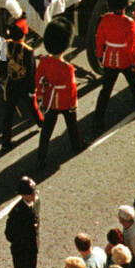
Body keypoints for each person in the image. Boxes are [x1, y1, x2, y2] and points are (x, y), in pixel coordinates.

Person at [92, 0, 135, 133]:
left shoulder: (104, 19)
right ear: (125, 2)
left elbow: (100, 39)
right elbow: (132, 45)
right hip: (125, 59)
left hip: (110, 58)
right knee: (134, 84)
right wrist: (134, 62)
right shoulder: (129, 22)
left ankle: (98, 118)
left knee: (106, 90)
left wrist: (100, 55)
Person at [36, 19, 82, 169]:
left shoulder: (44, 61)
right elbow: (71, 88)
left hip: (50, 100)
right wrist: (73, 104)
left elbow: (39, 80)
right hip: (64, 101)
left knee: (46, 131)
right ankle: (76, 146)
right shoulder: (67, 68)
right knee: (72, 126)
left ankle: (41, 157)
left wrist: (41, 96)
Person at [0, 1, 41, 152]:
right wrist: (33, 88)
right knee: (33, 106)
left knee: (8, 115)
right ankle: (42, 123)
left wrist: (3, 77)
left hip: (11, 84)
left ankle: (5, 142)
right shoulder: (28, 51)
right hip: (24, 85)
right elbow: (31, 73)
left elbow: (2, 65)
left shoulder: (5, 45)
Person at [5, 176, 41, 268]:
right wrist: (22, 241)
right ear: (24, 195)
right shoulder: (16, 213)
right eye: (31, 192)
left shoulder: (36, 202)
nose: (34, 194)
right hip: (21, 251)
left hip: (33, 247)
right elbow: (9, 234)